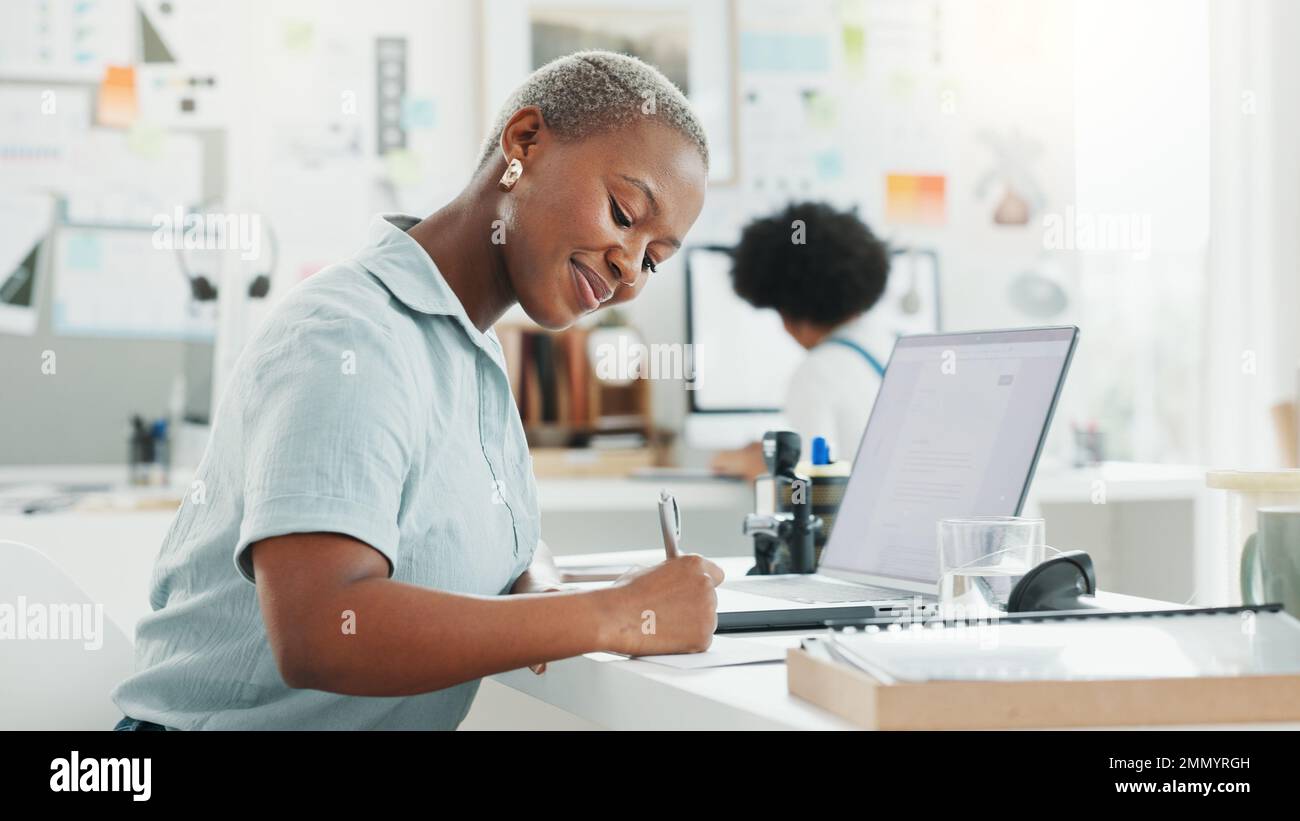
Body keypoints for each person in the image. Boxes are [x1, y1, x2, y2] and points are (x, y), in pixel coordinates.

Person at [111, 51, 716, 731]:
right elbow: (322, 631)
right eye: (624, 212)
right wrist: (611, 616)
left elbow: (505, 543)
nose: (629, 269)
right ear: (524, 143)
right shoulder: (349, 335)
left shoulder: (470, 350)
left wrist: (538, 586)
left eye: (655, 261)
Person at [711, 202, 892, 479]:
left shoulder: (817, 373)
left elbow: (810, 489)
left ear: (787, 312)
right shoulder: (890, 345)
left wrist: (760, 467)